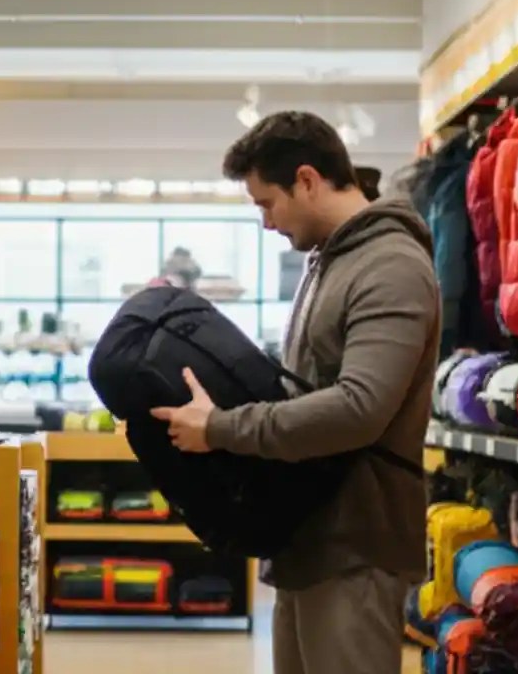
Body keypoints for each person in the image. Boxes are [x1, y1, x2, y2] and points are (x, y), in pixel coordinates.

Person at [149, 111, 440, 674]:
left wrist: (222, 428)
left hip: (355, 543)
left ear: (306, 179)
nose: (265, 222)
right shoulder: (330, 260)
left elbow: (360, 409)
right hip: (308, 535)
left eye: (266, 203)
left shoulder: (390, 264)